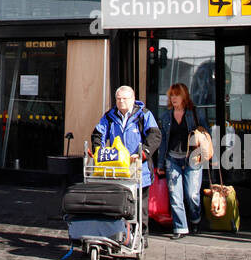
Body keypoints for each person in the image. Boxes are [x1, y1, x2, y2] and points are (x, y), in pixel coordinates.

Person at [88, 84, 160, 233]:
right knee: (118, 202)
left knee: (140, 205)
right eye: (118, 99)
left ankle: (141, 235)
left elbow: (155, 136)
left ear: (133, 99)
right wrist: (99, 152)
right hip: (117, 168)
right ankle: (120, 233)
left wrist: (143, 153)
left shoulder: (144, 114)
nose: (121, 102)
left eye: (125, 99)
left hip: (139, 167)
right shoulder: (109, 116)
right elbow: (98, 134)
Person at [161, 82, 208, 239]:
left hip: (192, 159)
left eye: (177, 95)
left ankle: (195, 219)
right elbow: (162, 142)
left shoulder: (194, 113)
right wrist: (161, 164)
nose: (174, 98)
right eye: (172, 95)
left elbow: (206, 134)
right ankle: (180, 228)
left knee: (192, 194)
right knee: (175, 196)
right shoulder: (166, 116)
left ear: (184, 96)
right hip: (172, 158)